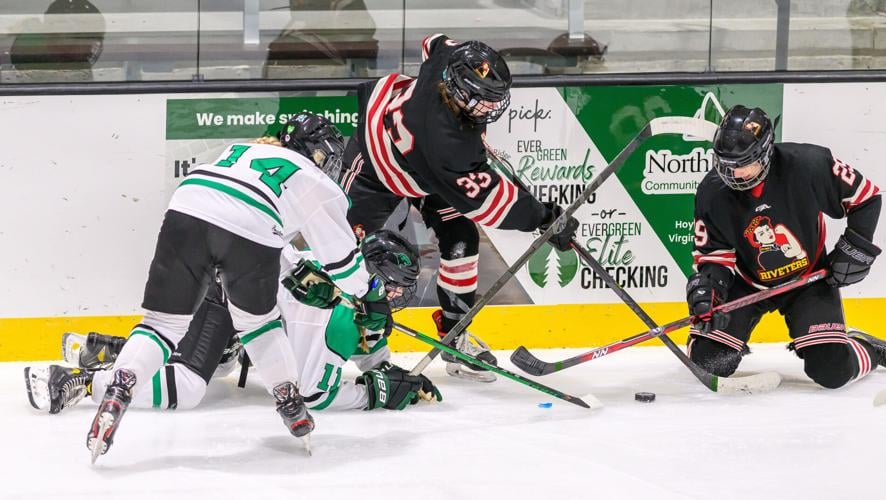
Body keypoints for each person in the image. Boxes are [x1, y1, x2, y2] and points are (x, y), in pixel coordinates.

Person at [83, 112, 386, 461]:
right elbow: (342, 260)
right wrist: (370, 295)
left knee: (161, 325)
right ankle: (289, 401)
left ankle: (120, 387)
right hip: (251, 226)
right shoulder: (312, 178)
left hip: (187, 205)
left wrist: (295, 273)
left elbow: (243, 218)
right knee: (258, 326)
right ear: (318, 153)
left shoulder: (240, 150)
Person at [337, 33, 579, 382]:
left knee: (460, 238)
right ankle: (326, 338)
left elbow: (432, 41)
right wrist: (543, 217)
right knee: (352, 256)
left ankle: (454, 336)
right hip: (374, 165)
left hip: (424, 171)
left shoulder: (448, 61)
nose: (491, 109)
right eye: (483, 101)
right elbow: (494, 205)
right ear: (458, 91)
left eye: (494, 99)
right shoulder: (449, 147)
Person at [25, 230, 440, 415]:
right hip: (227, 298)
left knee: (221, 360)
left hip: (236, 296)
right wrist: (375, 394)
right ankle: (80, 380)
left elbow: (365, 345)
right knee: (189, 386)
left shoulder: (342, 277)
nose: (399, 298)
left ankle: (106, 349)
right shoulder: (337, 316)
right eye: (395, 288)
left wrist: (390, 371)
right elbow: (314, 395)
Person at [687, 104, 886, 389]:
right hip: (748, 282)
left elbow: (866, 198)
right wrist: (708, 289)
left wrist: (854, 248)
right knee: (708, 362)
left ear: (765, 154)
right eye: (726, 164)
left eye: (742, 164)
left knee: (832, 370)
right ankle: (703, 340)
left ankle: (867, 347)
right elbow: (714, 255)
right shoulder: (712, 191)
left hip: (808, 280)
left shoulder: (808, 164)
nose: (733, 174)